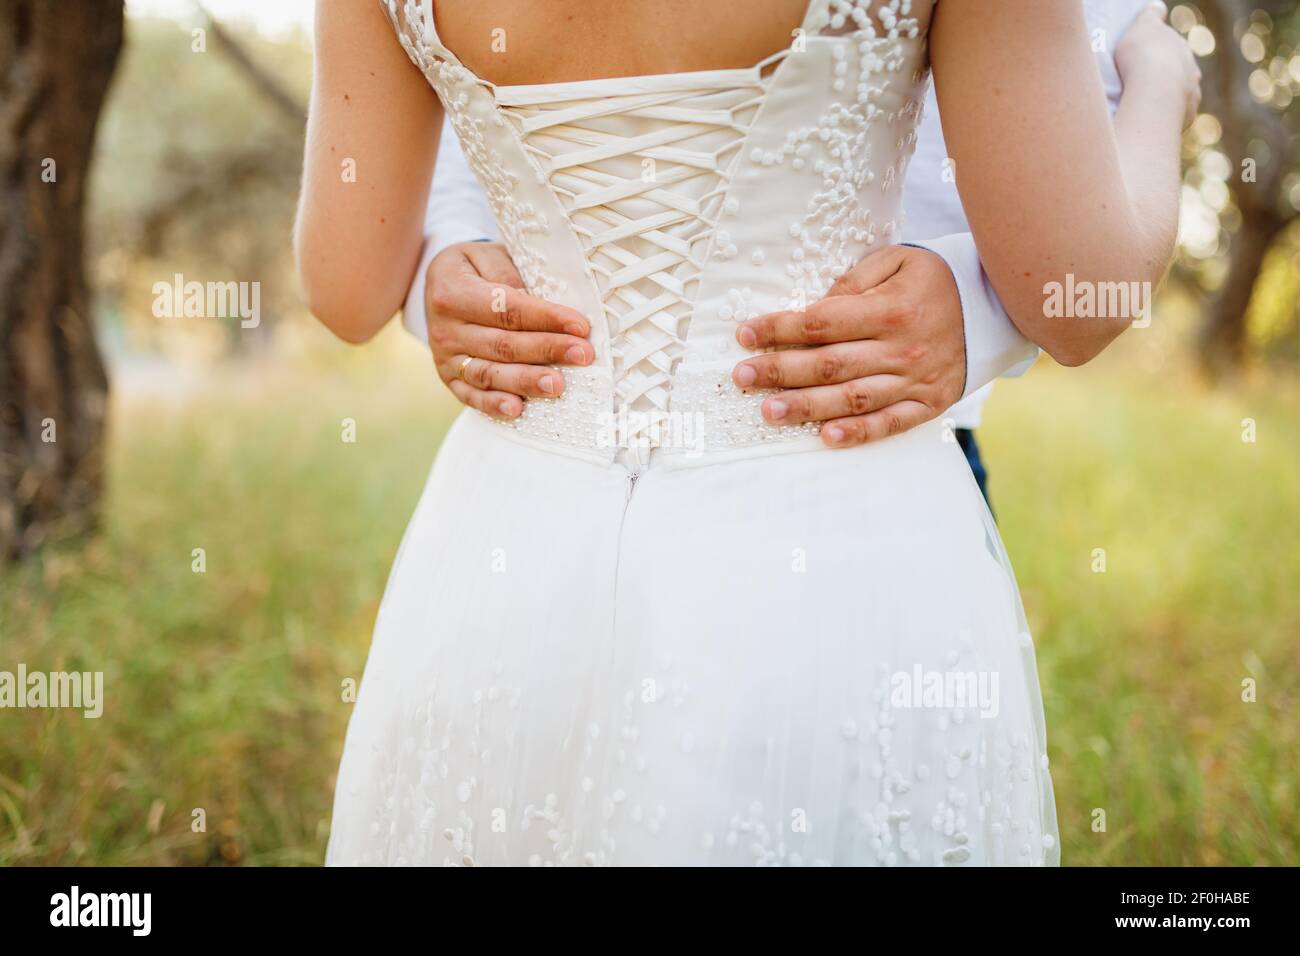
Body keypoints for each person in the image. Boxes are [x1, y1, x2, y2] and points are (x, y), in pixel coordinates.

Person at [296, 0, 1199, 865]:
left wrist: (443, 274)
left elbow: (346, 286)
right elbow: (1082, 296)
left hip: (509, 537)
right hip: (832, 511)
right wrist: (1162, 82)